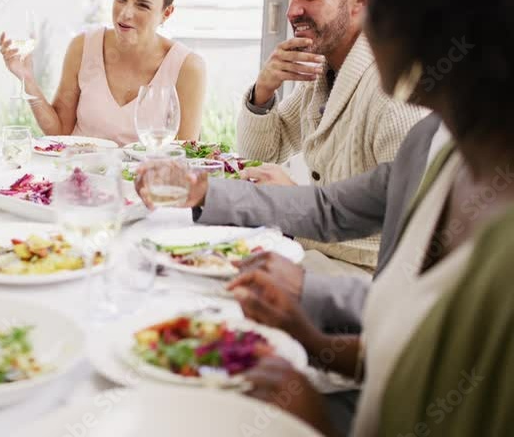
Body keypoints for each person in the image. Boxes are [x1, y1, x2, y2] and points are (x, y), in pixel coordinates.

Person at [233, 0, 514, 434]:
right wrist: (315, 344)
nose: (293, 11)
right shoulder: (445, 150)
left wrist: (317, 423)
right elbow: (259, 154)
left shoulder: (403, 111)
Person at [136, 113, 445, 335]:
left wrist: (307, 288)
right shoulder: (427, 137)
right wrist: (204, 191)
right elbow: (328, 208)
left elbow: (436, 312)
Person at [237, 0, 427, 273]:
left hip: (366, 286)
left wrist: (296, 205)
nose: (293, 10)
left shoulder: (395, 93)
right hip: (317, 261)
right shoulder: (325, 70)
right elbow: (263, 154)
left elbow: (411, 234)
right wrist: (263, 89)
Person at [0, 0, 206, 146]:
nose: (125, 14)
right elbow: (59, 131)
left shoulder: (187, 67)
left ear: (166, 13)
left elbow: (186, 154)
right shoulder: (83, 47)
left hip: (142, 182)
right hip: (79, 177)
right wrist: (27, 79)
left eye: (142, 6)